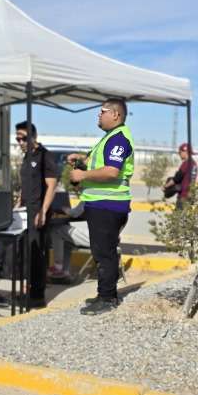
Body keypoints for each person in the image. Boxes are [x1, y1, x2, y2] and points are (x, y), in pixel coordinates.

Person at [66, 98, 134, 315]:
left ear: (115, 114)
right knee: (101, 251)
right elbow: (101, 166)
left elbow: (111, 171)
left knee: (104, 252)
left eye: (102, 111)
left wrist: (82, 174)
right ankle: (104, 293)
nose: (98, 115)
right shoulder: (109, 138)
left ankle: (107, 298)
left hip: (109, 205)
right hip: (102, 205)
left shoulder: (119, 139)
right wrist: (81, 160)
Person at [15, 121, 59, 308]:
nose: (20, 142)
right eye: (18, 138)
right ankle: (28, 290)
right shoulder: (26, 157)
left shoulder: (44, 155)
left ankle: (38, 295)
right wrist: (18, 203)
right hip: (26, 211)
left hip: (39, 211)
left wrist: (42, 210)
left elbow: (52, 185)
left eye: (24, 138)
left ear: (34, 136)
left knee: (38, 252)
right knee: (27, 251)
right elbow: (26, 186)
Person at [162, 142, 198, 208]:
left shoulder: (186, 163)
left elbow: (177, 178)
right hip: (190, 196)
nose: (179, 154)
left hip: (183, 196)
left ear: (185, 152)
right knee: (186, 217)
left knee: (179, 217)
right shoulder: (194, 164)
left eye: (180, 152)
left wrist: (165, 186)